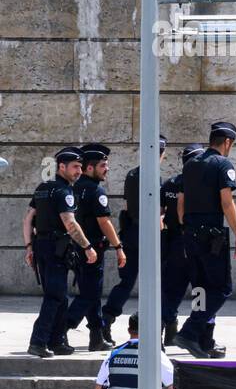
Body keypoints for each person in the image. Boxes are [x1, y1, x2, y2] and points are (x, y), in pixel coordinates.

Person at [175, 122, 236, 358]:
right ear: (227, 142)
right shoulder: (222, 164)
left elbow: (181, 203)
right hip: (211, 236)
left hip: (190, 233)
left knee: (200, 289)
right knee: (222, 288)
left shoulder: (191, 165)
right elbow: (227, 202)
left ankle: (205, 341)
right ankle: (190, 332)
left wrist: (187, 227)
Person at [23, 147, 97, 358]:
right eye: (75, 167)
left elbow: (28, 219)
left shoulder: (42, 188)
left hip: (42, 247)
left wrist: (29, 247)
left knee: (61, 296)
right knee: (55, 296)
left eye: (81, 167)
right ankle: (38, 342)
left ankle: (57, 341)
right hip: (56, 249)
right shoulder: (64, 192)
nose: (79, 171)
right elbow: (70, 223)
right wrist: (87, 247)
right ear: (61, 167)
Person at [102, 136, 166, 341]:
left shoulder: (131, 174)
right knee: (158, 283)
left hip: (131, 234)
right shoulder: (154, 177)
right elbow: (156, 212)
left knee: (126, 282)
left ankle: (107, 318)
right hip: (150, 236)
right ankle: (161, 328)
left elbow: (129, 207)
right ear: (161, 155)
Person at [66, 144, 127, 351]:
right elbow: (104, 222)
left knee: (90, 292)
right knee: (90, 294)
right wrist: (119, 246)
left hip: (76, 248)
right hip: (92, 249)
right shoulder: (95, 190)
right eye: (103, 165)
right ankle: (60, 329)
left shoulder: (72, 187)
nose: (106, 169)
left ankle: (96, 337)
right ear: (89, 168)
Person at [160, 143, 204, 345]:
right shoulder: (199, 185)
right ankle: (200, 332)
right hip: (193, 245)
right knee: (200, 290)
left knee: (171, 291)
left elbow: (159, 214)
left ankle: (166, 331)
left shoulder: (169, 184)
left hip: (174, 246)